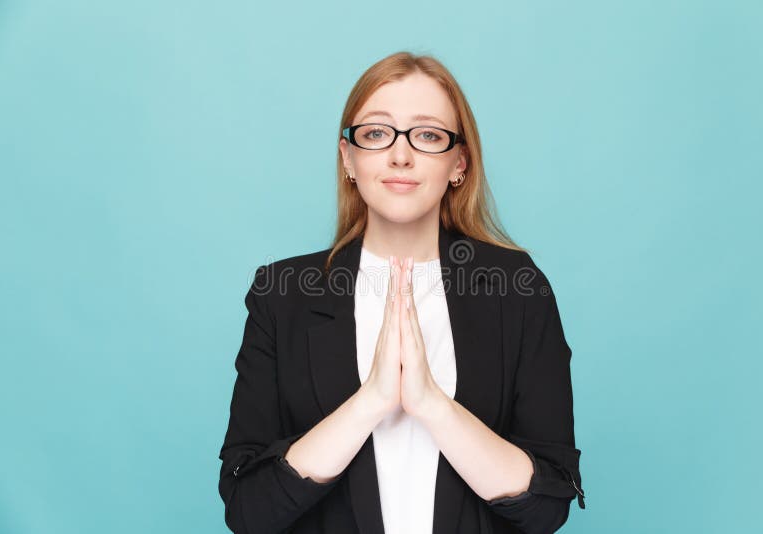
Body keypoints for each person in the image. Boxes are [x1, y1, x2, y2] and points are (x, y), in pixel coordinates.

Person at [217, 51, 585, 534]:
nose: (400, 154)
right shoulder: (281, 295)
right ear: (348, 157)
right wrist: (370, 400)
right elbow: (248, 511)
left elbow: (546, 507)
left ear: (459, 162)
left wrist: (432, 404)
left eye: (428, 135)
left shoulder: (518, 289)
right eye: (376, 133)